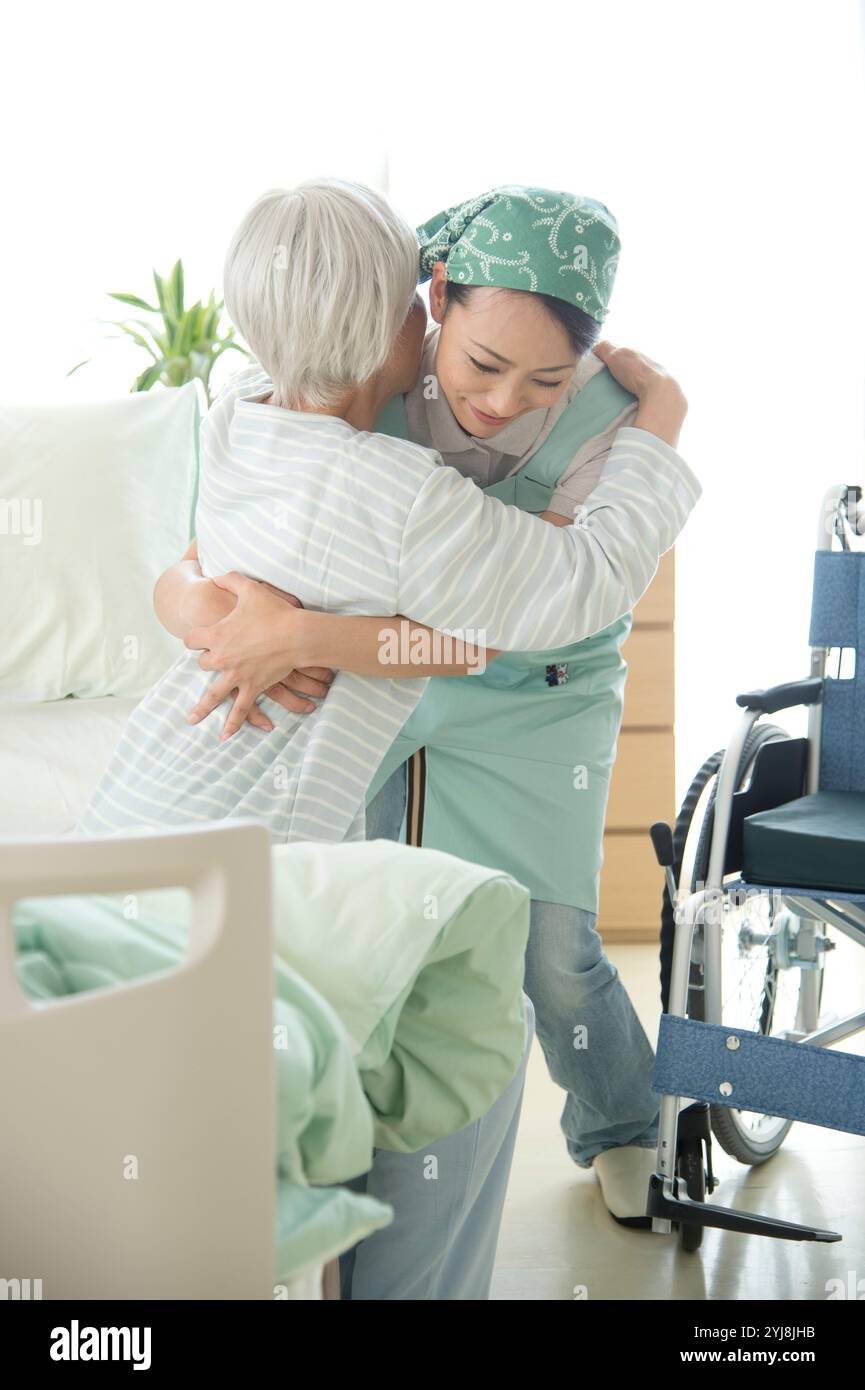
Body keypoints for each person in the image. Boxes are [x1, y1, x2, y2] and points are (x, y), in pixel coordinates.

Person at [154, 185, 698, 1296]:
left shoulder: (609, 426)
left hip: (537, 685)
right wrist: (213, 613)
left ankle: (620, 1115)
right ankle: (369, 1180)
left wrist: (293, 628)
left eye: (546, 381)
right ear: (432, 302)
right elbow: (199, 546)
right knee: (383, 922)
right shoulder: (344, 400)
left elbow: (555, 595)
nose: (503, 401)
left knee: (551, 944)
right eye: (481, 362)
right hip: (384, 669)